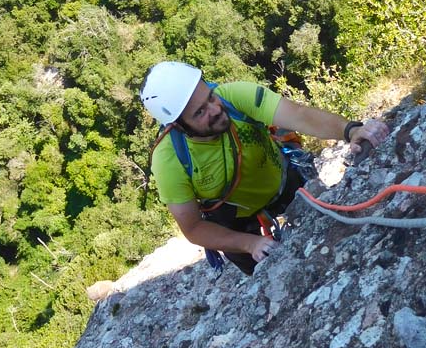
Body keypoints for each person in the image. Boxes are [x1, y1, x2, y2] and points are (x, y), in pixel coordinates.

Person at [140, 61, 389, 276]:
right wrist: (249, 244)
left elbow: (300, 116)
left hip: (281, 180)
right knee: (263, 272)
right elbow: (193, 228)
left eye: (210, 97)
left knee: (328, 226)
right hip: (234, 222)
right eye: (200, 112)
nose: (216, 109)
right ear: (179, 126)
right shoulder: (170, 161)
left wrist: (350, 130)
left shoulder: (234, 96)